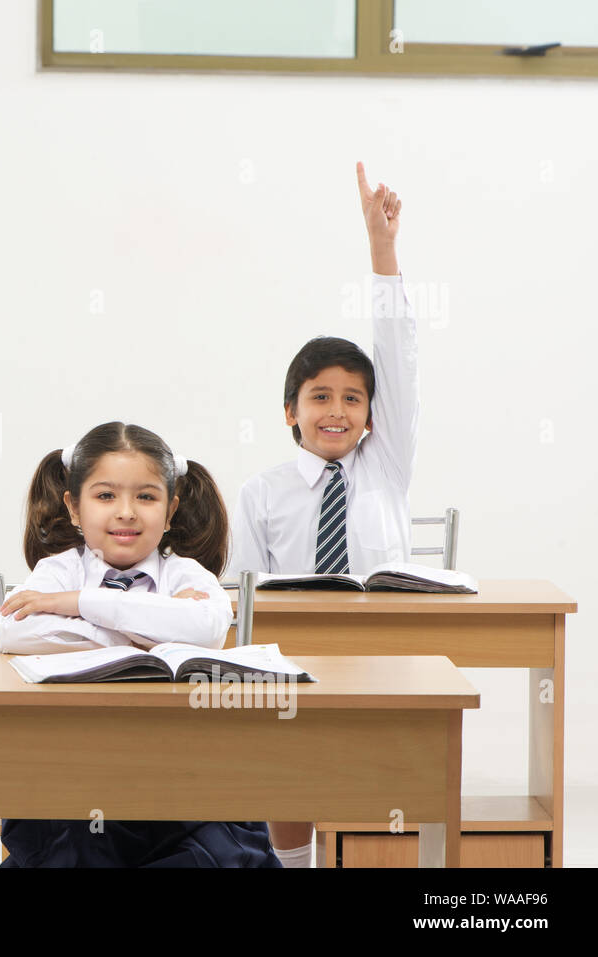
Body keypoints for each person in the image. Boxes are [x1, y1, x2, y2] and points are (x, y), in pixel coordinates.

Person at [229, 162, 416, 868]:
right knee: (289, 735)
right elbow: (241, 594)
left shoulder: (385, 467)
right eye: (320, 395)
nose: (337, 410)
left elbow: (400, 363)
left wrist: (383, 253)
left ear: (372, 415)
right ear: (291, 411)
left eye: (353, 398)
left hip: (383, 652)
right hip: (294, 658)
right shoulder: (262, 489)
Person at [0, 421, 280, 867]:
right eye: (106, 496)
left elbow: (207, 627)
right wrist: (153, 629)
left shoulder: (185, 574)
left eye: (146, 497)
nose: (126, 512)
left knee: (222, 851)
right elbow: (16, 630)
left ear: (170, 512)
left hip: (186, 783)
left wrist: (80, 605)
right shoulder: (57, 571)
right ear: (73, 507)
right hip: (78, 778)